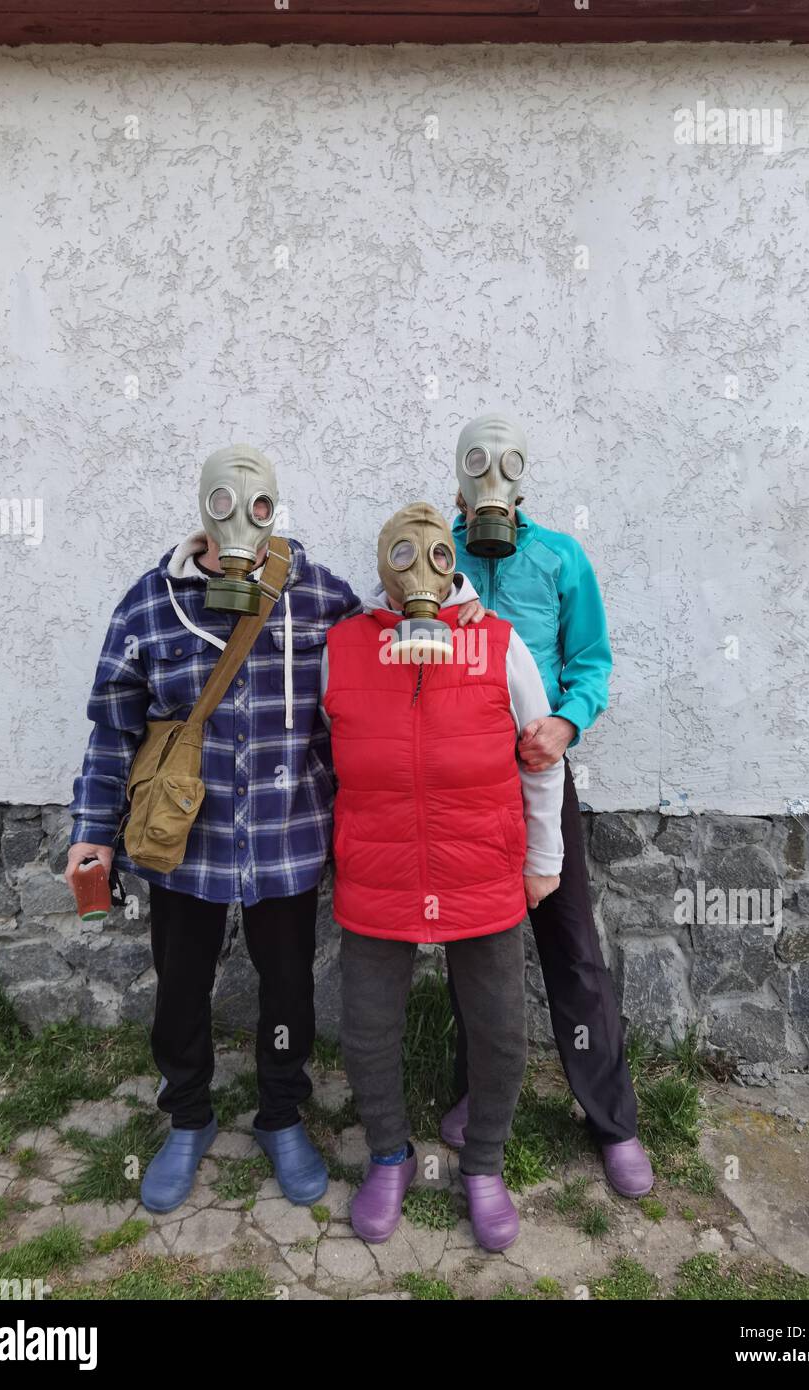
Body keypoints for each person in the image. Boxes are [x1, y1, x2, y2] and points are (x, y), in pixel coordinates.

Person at [320, 502, 564, 1252]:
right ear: (383, 567)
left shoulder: (498, 642)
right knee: (366, 1028)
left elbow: (540, 756)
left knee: (498, 1029)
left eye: (431, 554)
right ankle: (389, 1155)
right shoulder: (344, 646)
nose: (418, 570)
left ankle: (483, 1163)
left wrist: (543, 858)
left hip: (479, 865)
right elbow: (325, 753)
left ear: (450, 563)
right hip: (380, 865)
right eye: (402, 555)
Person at [441, 413, 654, 1199]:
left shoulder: (562, 557)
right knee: (477, 953)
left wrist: (564, 723)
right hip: (459, 793)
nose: (489, 479)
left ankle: (612, 1120)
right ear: (458, 477)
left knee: (570, 948)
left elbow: (593, 662)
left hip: (538, 782)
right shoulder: (434, 553)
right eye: (476, 464)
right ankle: (480, 1094)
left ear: (521, 477)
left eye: (501, 464)